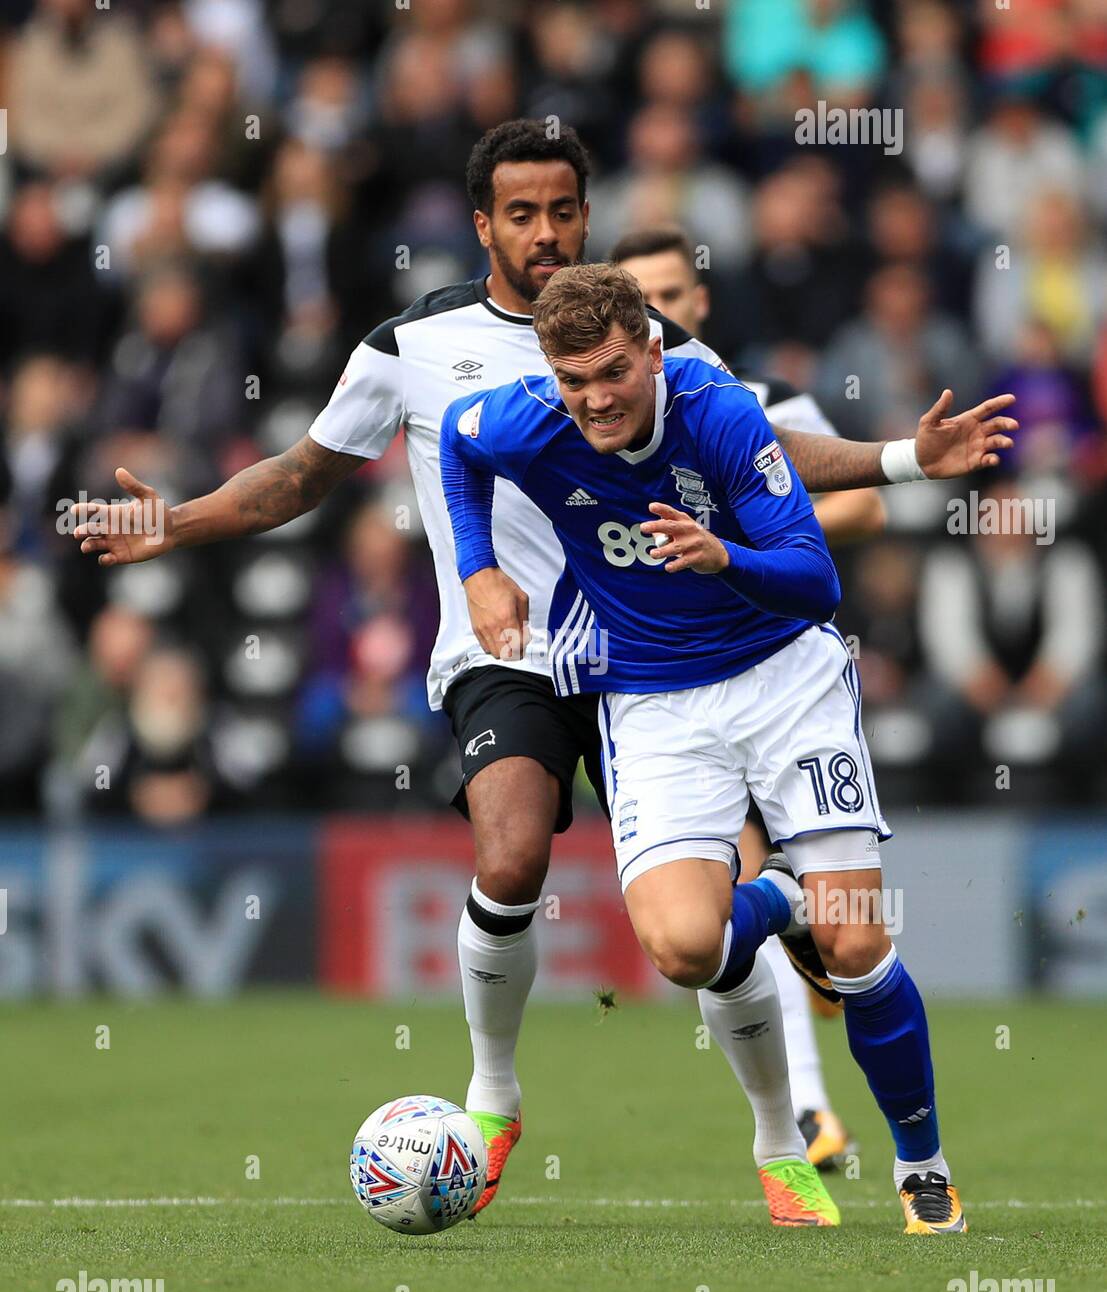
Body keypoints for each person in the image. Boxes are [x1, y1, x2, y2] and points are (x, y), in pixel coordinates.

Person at [72, 119, 1018, 1219]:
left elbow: (758, 446)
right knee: (515, 852)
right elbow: (302, 475)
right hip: (509, 653)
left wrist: (897, 460)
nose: (545, 231)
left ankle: (780, 1137)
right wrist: (181, 523)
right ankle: (494, 1094)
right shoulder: (410, 347)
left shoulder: (643, 333)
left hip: (650, 652)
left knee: (710, 934)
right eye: (521, 213)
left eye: (563, 208)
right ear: (483, 224)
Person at [441, 263, 975, 1235]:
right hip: (650, 702)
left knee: (856, 944)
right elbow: (456, 441)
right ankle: (786, 898)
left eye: (611, 372)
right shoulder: (524, 417)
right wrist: (478, 568)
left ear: (653, 352)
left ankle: (922, 1163)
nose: (594, 399)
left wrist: (724, 554)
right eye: (573, 380)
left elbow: (815, 580)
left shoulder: (721, 415)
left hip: (783, 679)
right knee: (688, 949)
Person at [611, 224, 882, 1170]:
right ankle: (806, 1112)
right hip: (675, 682)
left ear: (700, 303)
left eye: (672, 297)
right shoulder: (604, 410)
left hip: (783, 664)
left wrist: (744, 533)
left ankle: (843, 1109)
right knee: (729, 884)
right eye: (639, 298)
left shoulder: (754, 400)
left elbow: (864, 503)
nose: (660, 313)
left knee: (848, 934)